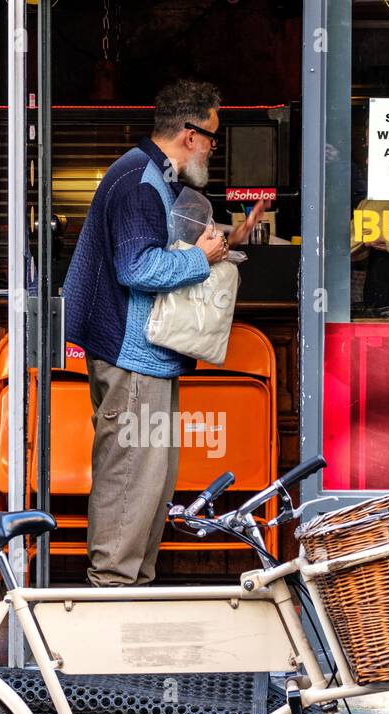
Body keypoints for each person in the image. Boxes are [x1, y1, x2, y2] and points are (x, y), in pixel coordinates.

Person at [62, 78, 266, 587]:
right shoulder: (138, 182)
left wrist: (228, 240)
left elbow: (160, 247)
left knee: (151, 480)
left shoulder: (152, 175)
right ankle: (114, 592)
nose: (214, 149)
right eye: (212, 137)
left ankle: (130, 588)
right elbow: (137, 267)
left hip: (143, 357)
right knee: (132, 477)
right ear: (189, 134)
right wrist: (203, 257)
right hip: (132, 358)